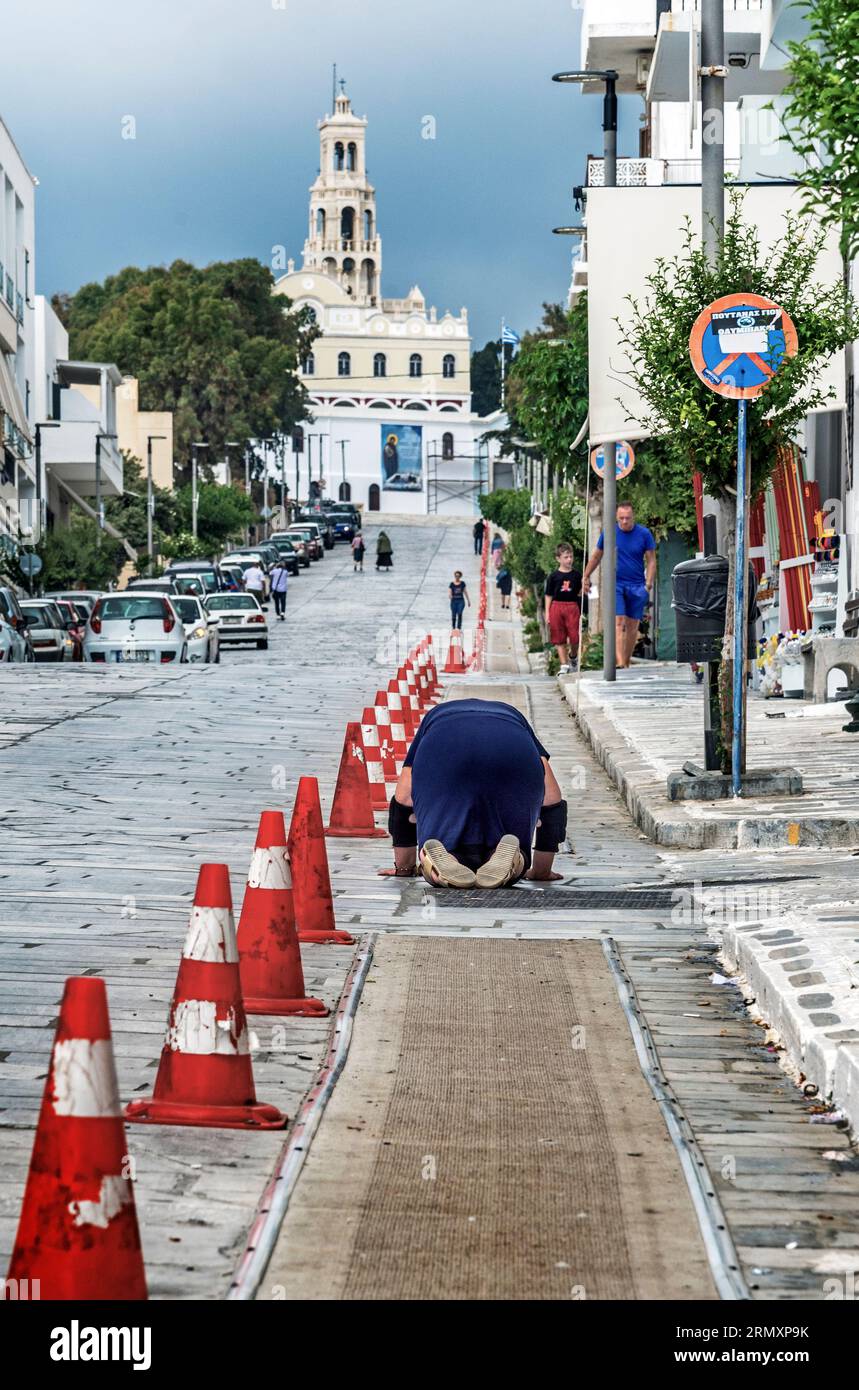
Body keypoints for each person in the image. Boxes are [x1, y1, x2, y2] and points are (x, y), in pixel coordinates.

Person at [382, 699, 567, 889]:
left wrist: (404, 868)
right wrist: (542, 871)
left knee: (443, 847)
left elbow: (404, 800)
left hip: (444, 750)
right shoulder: (516, 722)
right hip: (513, 754)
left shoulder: (434, 719)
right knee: (511, 848)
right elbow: (552, 801)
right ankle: (513, 858)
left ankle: (442, 862)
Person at [582, 502, 656, 670]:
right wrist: (585, 575)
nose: (624, 522)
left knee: (632, 625)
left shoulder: (644, 534)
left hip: (637, 585)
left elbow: (651, 560)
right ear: (616, 517)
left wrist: (648, 584)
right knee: (619, 621)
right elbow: (596, 556)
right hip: (616, 584)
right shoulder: (609, 533)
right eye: (621, 518)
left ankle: (626, 661)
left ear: (633, 517)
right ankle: (620, 662)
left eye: (627, 518)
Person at [544, 543, 583, 675]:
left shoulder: (577, 575)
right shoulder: (553, 576)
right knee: (558, 637)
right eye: (566, 557)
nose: (569, 560)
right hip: (556, 606)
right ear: (558, 558)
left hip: (572, 606)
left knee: (574, 637)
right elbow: (548, 595)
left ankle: (573, 656)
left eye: (571, 557)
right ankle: (564, 665)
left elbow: (582, 591)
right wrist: (548, 613)